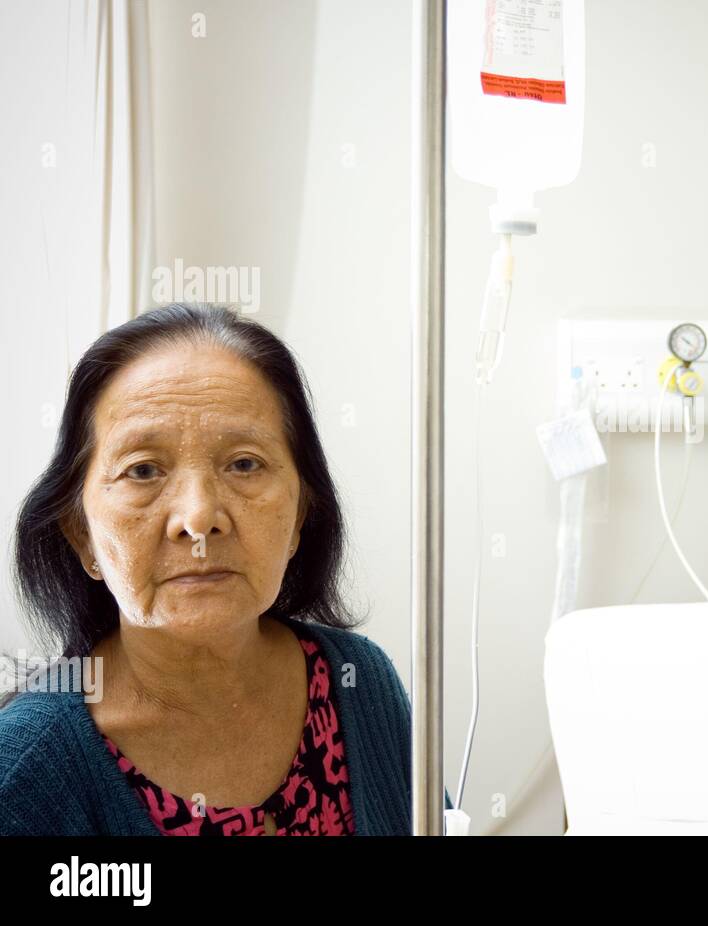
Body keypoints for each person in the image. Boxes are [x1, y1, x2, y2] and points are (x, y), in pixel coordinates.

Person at [0, 303, 428, 835]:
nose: (199, 518)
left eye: (244, 463)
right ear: (81, 532)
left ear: (300, 514)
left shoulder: (359, 682)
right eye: (143, 470)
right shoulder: (24, 775)